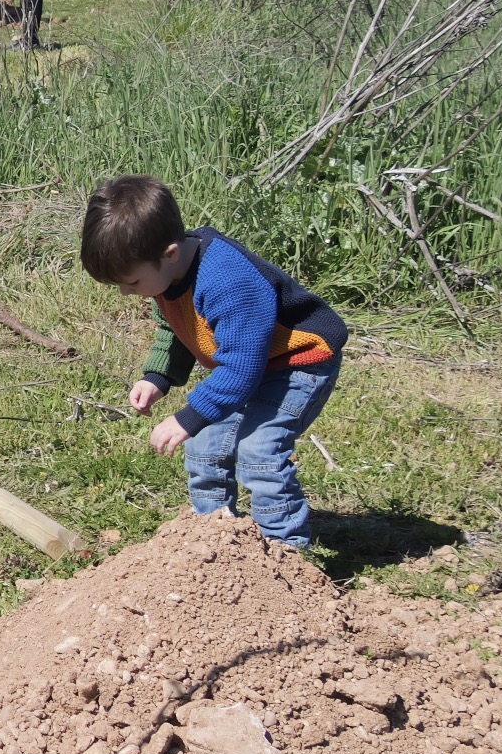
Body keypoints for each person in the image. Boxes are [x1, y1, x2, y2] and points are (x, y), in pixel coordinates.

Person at [81, 175, 347, 549]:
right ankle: (214, 544)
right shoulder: (167, 274)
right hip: (245, 365)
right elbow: (176, 326)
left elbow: (242, 367)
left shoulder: (228, 281)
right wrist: (158, 376)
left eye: (132, 282)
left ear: (169, 253)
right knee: (205, 447)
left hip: (297, 362)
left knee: (259, 452)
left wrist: (188, 415)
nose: (127, 292)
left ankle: (288, 554)